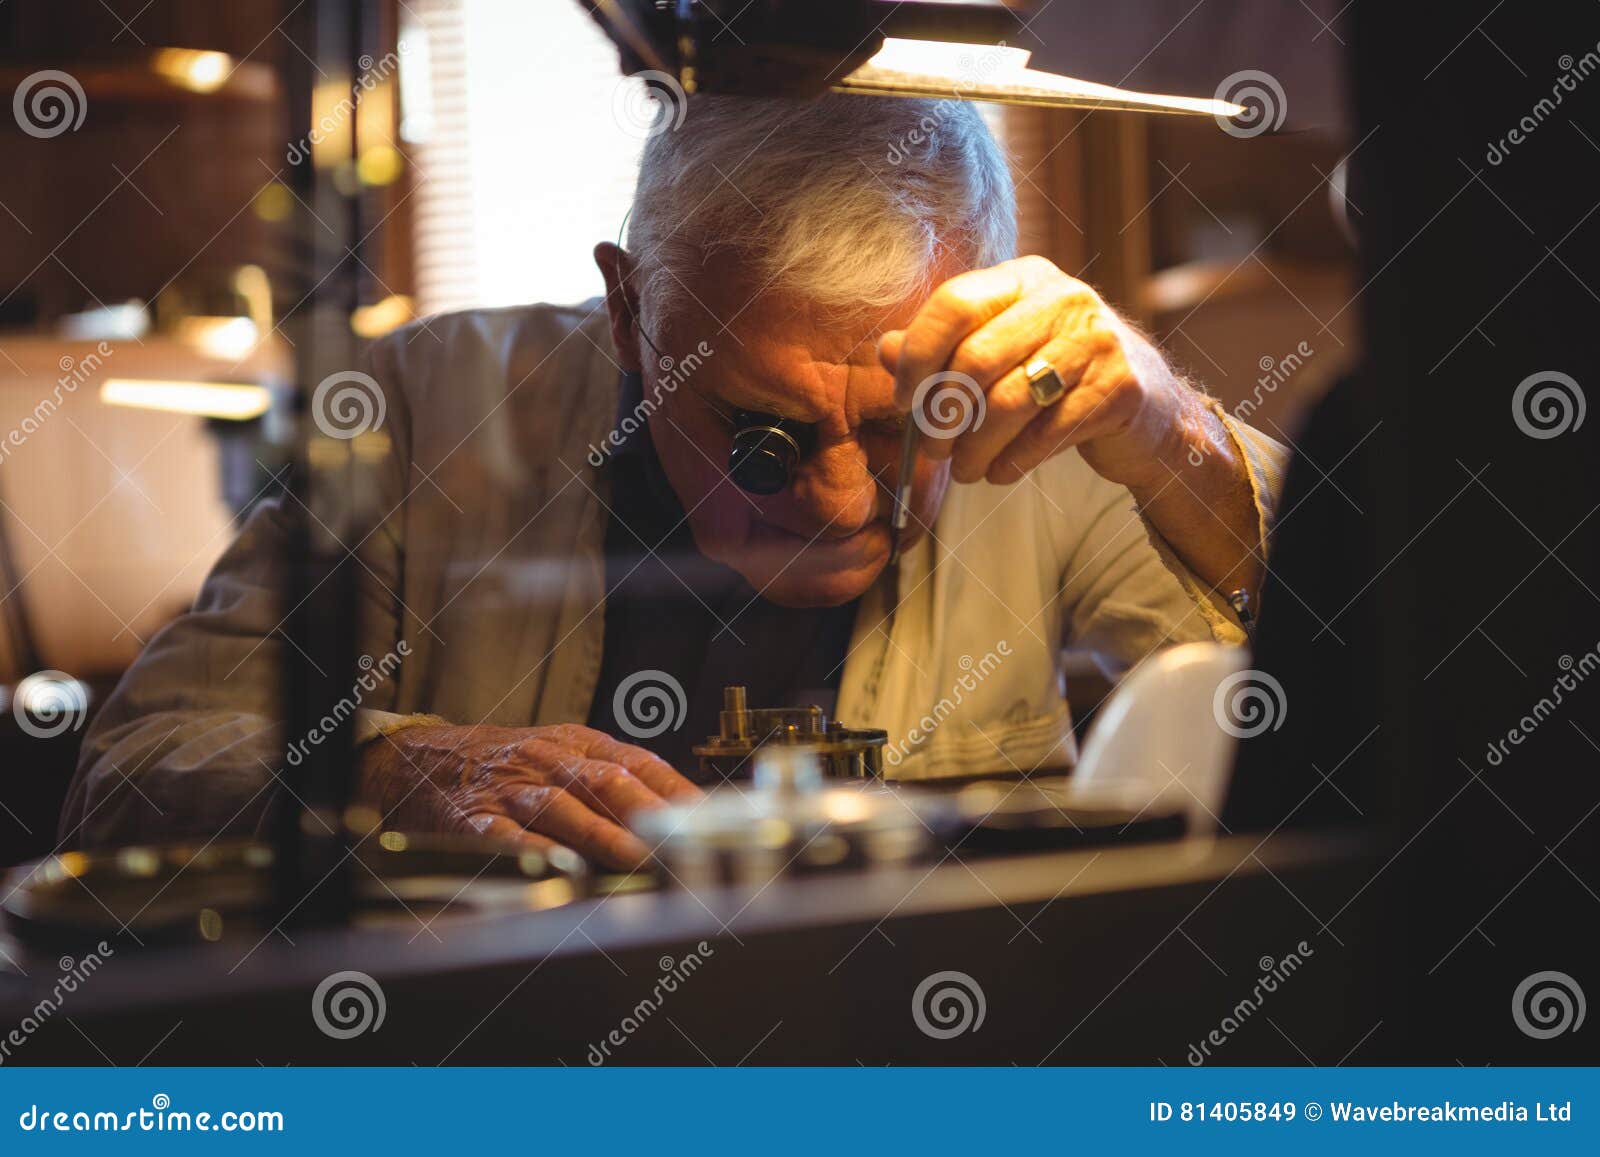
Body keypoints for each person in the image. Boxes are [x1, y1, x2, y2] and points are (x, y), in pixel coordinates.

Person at [63, 94, 1284, 868]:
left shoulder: (1059, 431)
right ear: (632, 311)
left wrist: (1167, 427)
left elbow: (1366, 686)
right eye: (766, 434)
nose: (849, 501)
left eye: (915, 425)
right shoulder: (421, 409)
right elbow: (127, 775)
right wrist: (390, 764)